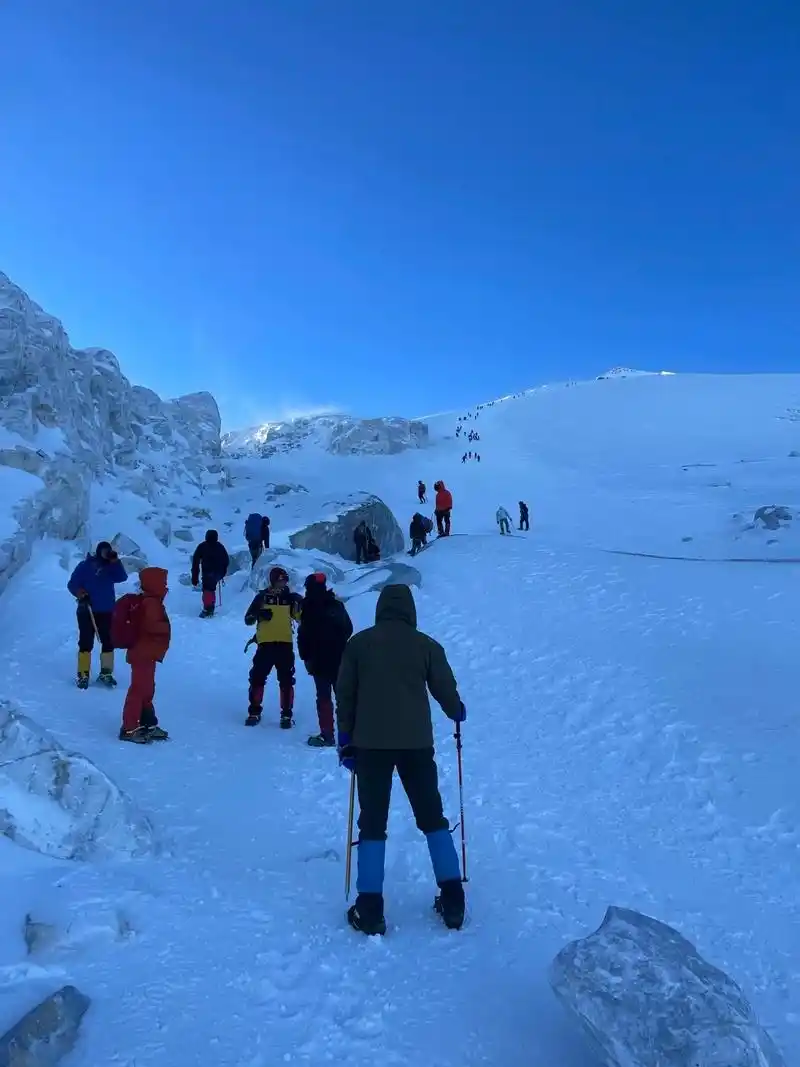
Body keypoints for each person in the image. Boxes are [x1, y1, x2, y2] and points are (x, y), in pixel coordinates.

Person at [336, 584, 467, 936]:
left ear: (381, 608)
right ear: (410, 610)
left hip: (370, 745)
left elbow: (345, 694)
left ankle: (370, 908)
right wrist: (456, 711)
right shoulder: (425, 645)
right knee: (431, 816)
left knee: (373, 822)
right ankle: (453, 897)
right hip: (416, 745)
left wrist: (345, 739)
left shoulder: (359, 644)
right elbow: (445, 690)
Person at [297, 572, 353, 747]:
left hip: (318, 660)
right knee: (343, 697)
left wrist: (305, 655)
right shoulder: (336, 605)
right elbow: (348, 628)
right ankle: (349, 735)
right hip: (339, 657)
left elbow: (303, 635)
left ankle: (327, 735)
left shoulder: (308, 608)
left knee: (323, 698)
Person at [243, 566, 303, 728]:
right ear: (273, 580)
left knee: (286, 680)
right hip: (265, 645)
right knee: (257, 678)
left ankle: (286, 715)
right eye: (279, 581)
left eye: (284, 581)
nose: (282, 584)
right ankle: (254, 712)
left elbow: (299, 618)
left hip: (285, 644)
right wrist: (259, 615)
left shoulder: (290, 598)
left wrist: (301, 606)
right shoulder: (261, 597)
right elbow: (247, 619)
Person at [119, 567, 171, 744]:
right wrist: (166, 628)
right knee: (139, 689)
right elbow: (151, 626)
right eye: (163, 583)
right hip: (142, 652)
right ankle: (129, 727)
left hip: (147, 652)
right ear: (154, 584)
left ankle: (147, 722)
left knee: (147, 688)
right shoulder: (151, 603)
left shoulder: (151, 601)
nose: (165, 586)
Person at [67, 540, 128, 689]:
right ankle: (83, 674)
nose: (107, 553)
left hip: (106, 610)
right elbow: (72, 584)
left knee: (108, 641)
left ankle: (106, 673)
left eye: (109, 550)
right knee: (86, 642)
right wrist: (81, 593)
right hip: (87, 610)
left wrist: (115, 561)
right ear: (97, 551)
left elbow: (122, 577)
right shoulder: (85, 566)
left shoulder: (111, 567)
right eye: (104, 551)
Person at [191, 529, 230, 617]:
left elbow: (195, 561)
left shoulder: (202, 546)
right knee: (211, 589)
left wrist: (194, 577)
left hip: (207, 572)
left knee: (208, 589)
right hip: (218, 573)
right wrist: (223, 572)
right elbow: (226, 560)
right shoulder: (220, 546)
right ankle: (210, 607)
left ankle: (208, 609)